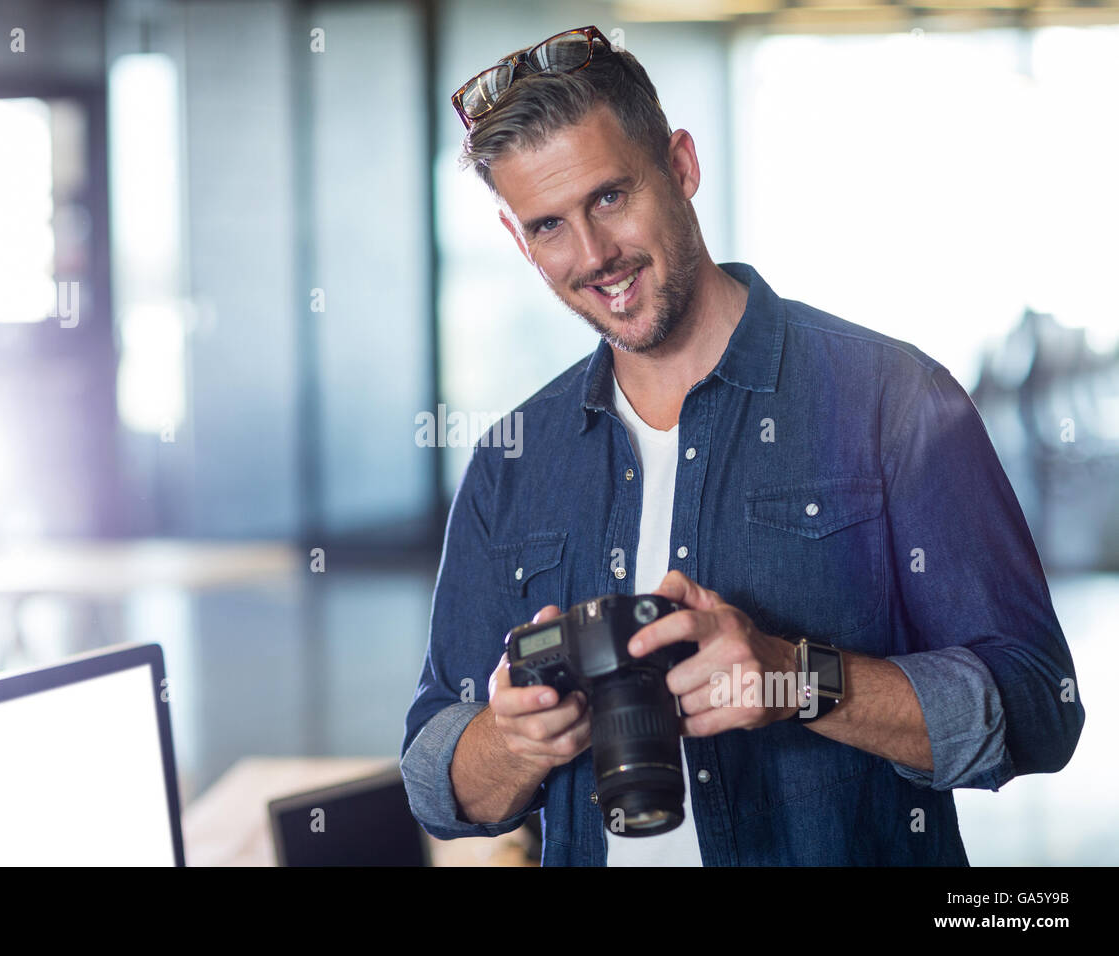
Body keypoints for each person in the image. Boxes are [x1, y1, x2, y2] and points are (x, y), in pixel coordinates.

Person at [400, 25, 1083, 866]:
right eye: (549, 227)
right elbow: (437, 781)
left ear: (682, 166)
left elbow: (1039, 708)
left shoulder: (893, 401)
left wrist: (796, 678)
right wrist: (518, 742)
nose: (594, 256)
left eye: (610, 197)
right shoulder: (514, 458)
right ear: (518, 241)